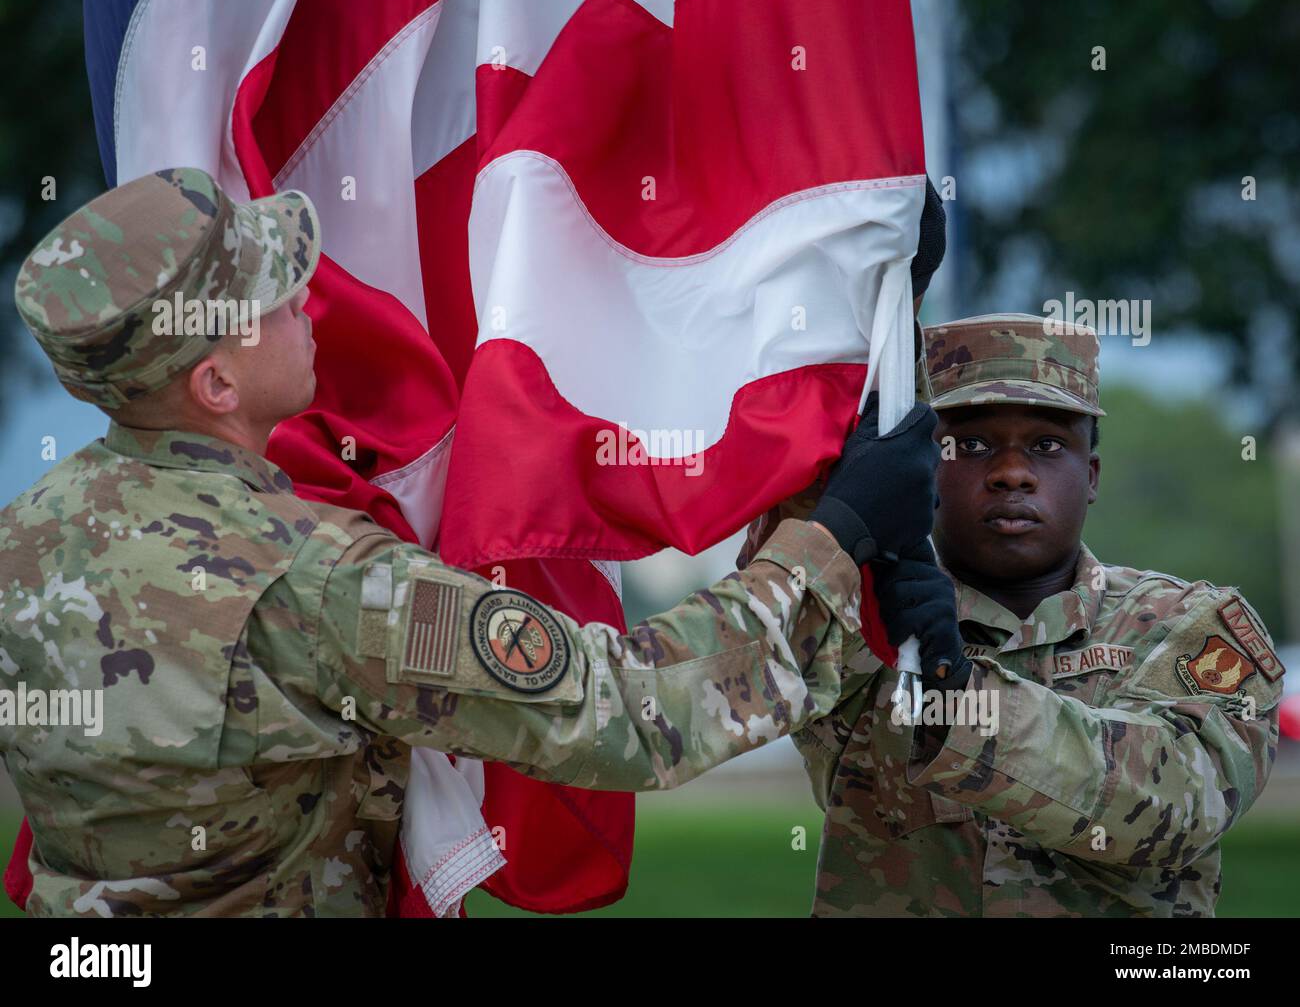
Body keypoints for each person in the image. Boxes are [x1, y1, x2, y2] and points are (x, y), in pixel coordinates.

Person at [0, 167, 940, 917]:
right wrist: (835, 531)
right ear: (214, 385)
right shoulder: (309, 576)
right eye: (274, 297)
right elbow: (626, 709)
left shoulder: (22, 539)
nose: (307, 302)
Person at [741, 313, 1285, 917]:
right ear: (922, 469)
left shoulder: (1184, 626)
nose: (1010, 473)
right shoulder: (862, 619)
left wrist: (958, 691)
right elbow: (759, 641)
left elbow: (1179, 803)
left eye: (1047, 445)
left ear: (1092, 476)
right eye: (970, 445)